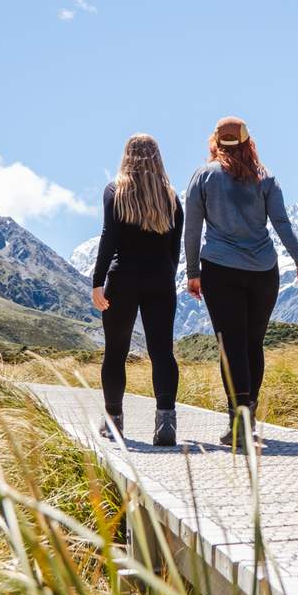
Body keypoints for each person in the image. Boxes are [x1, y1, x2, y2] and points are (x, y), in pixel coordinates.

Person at [184, 116, 298, 446]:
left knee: (232, 346)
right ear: (247, 142)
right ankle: (247, 420)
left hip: (220, 270)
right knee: (252, 344)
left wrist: (193, 273)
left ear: (215, 141)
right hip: (263, 273)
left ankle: (239, 423)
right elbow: (281, 221)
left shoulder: (203, 176)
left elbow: (193, 230)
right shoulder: (264, 177)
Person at [91, 134, 183, 445]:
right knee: (162, 353)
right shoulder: (171, 197)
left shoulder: (114, 191)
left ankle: (114, 422)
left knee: (116, 352)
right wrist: (164, 275)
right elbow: (174, 250)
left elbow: (109, 239)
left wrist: (97, 281)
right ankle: (166, 424)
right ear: (158, 157)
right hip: (160, 280)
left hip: (123, 279)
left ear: (127, 156)